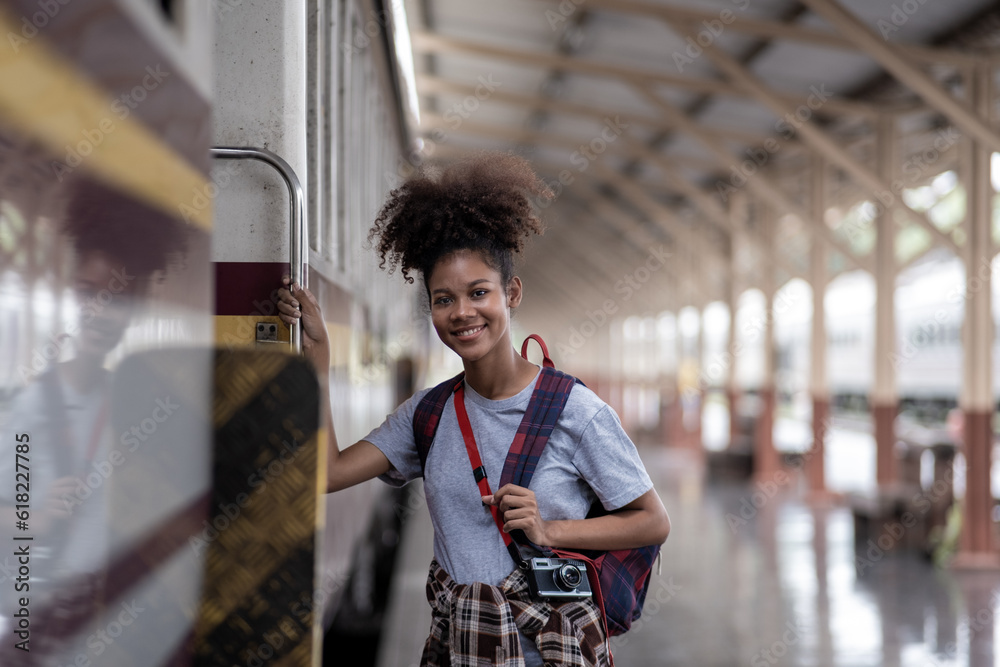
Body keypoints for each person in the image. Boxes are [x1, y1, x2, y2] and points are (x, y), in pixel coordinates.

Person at [277, 152, 669, 666]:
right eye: (444, 299)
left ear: (512, 293)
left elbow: (652, 521)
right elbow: (327, 473)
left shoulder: (576, 410)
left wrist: (551, 529)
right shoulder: (427, 414)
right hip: (460, 648)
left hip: (550, 652)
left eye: (478, 292)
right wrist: (319, 361)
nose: (462, 312)